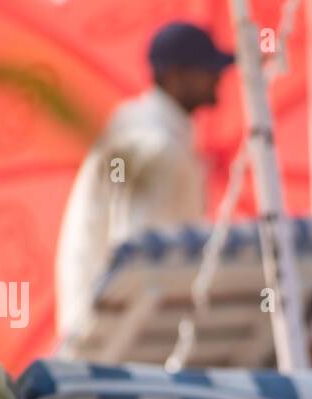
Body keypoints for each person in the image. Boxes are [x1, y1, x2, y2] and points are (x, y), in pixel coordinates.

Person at [54, 21, 234, 349]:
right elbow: (139, 264)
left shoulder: (142, 131)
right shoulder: (156, 147)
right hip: (116, 343)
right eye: (206, 69)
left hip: (99, 336)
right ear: (175, 76)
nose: (217, 77)